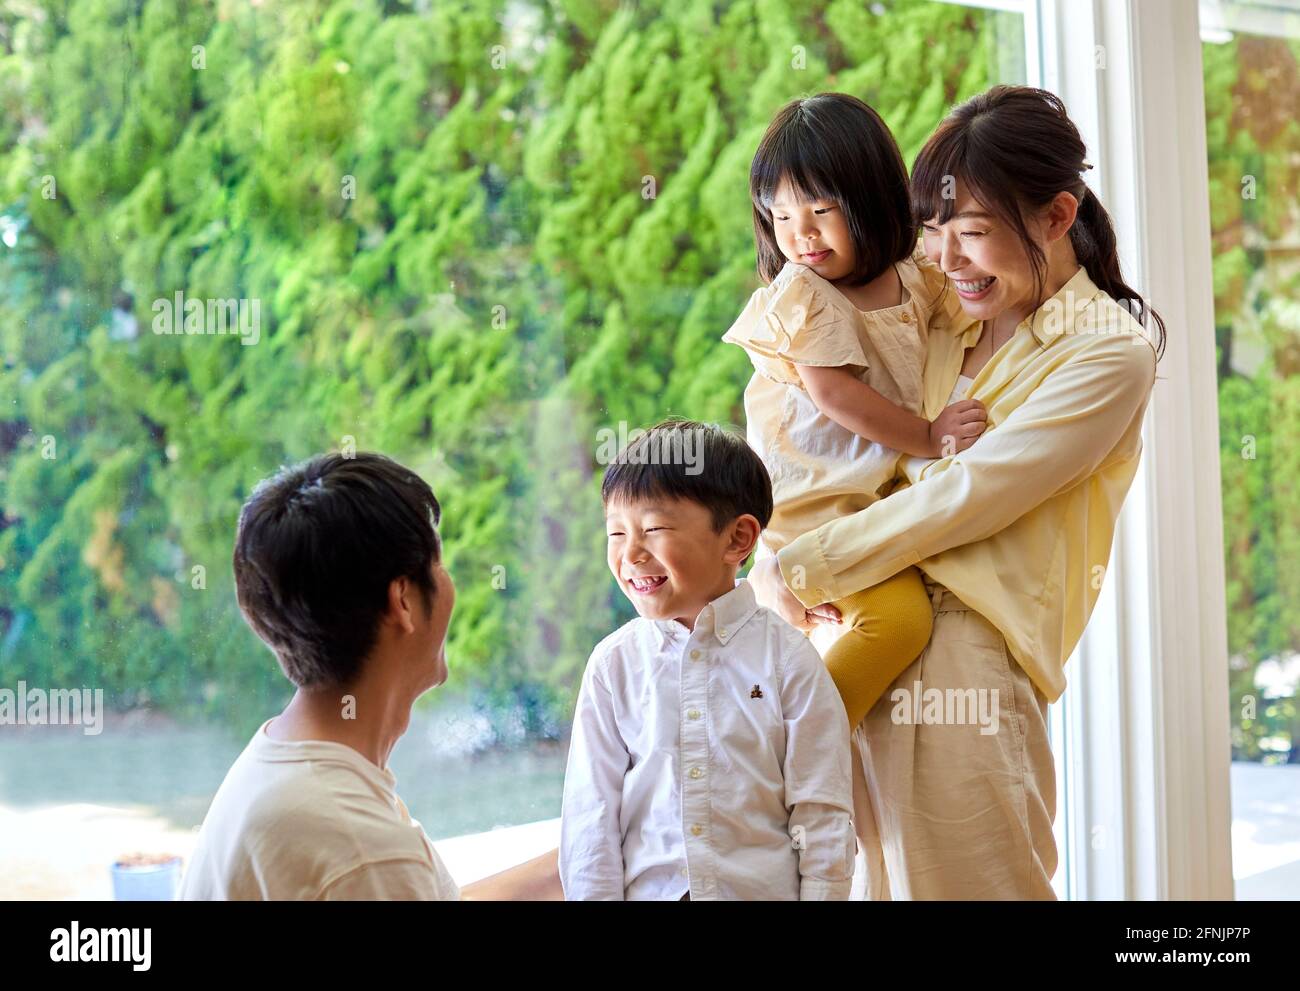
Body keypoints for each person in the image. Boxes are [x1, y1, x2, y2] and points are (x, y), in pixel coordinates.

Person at [748, 85, 1163, 900]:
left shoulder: (1108, 353)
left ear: (1055, 216)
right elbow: (823, 411)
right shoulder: (943, 315)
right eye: (934, 232)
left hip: (962, 661)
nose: (946, 258)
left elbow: (967, 494)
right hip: (859, 628)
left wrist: (798, 565)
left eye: (972, 234)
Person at [180, 451, 561, 900]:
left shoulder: (289, 774)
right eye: (438, 564)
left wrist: (586, 853)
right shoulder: (356, 842)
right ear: (402, 600)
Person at [722, 93, 986, 729]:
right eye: (780, 216)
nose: (800, 235)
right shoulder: (805, 295)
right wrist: (928, 435)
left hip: (867, 500)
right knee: (900, 620)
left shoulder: (913, 274)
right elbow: (834, 395)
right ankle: (796, 747)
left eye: (819, 211)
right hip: (816, 506)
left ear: (873, 200)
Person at [559, 420, 855, 900]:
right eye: (616, 533)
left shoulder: (788, 660)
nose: (630, 554)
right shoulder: (613, 666)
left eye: (653, 529)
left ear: (738, 540)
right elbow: (590, 818)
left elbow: (822, 813)